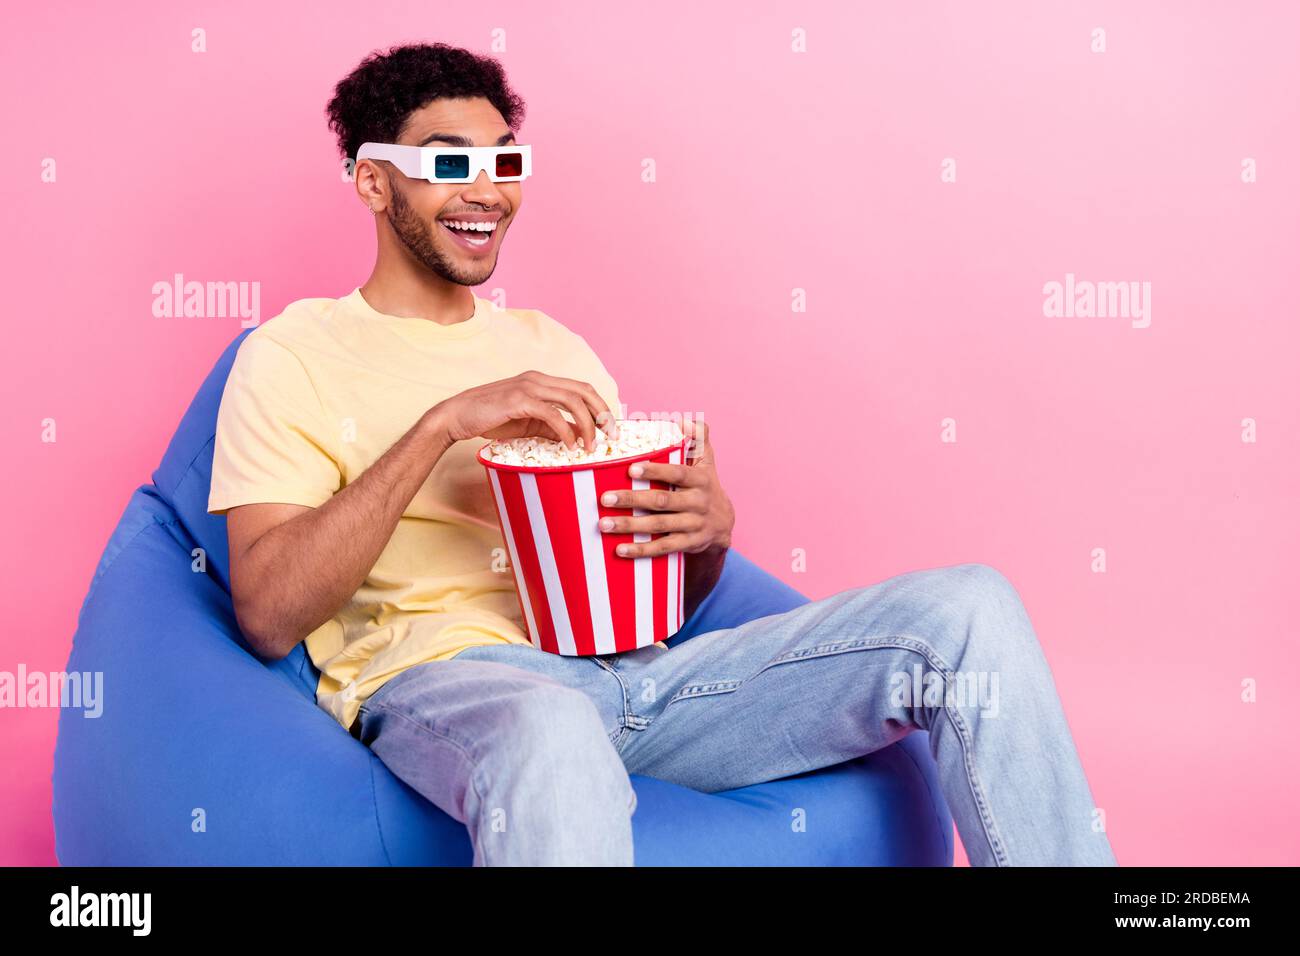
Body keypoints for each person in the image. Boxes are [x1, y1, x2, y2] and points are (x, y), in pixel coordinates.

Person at [208, 41, 1117, 867]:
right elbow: (268, 612)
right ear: (373, 183)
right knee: (551, 724)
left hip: (642, 684)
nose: (486, 190)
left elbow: (640, 594)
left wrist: (705, 535)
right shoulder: (292, 356)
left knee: (967, 610)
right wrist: (444, 422)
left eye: (505, 163)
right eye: (451, 164)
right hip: (455, 689)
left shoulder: (554, 348)